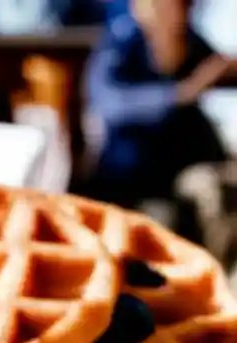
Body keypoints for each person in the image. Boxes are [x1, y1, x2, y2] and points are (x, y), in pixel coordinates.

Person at [84, 0, 234, 212]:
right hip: (135, 171)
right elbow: (108, 102)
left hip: (188, 161)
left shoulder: (190, 40)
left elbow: (215, 70)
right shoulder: (123, 40)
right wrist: (178, 95)